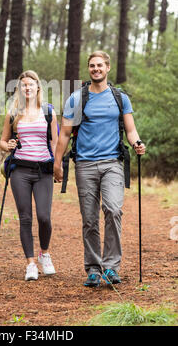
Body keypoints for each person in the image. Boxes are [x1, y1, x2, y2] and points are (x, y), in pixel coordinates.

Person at [54, 51, 146, 287]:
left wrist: (136, 143)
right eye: (92, 66)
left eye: (100, 65)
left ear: (108, 68)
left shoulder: (120, 98)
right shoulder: (76, 99)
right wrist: (57, 163)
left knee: (114, 210)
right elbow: (64, 134)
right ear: (89, 69)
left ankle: (111, 268)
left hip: (112, 163)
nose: (96, 69)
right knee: (89, 219)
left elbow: (130, 129)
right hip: (84, 165)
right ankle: (94, 269)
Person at [0, 70, 58, 281]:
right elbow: (3, 141)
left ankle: (45, 254)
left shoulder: (49, 112)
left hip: (43, 170)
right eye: (23, 85)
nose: (27, 88)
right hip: (20, 171)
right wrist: (9, 145)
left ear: (37, 87)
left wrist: (57, 166)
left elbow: (55, 142)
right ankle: (30, 264)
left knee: (44, 217)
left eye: (31, 85)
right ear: (20, 89)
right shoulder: (13, 112)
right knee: (25, 218)